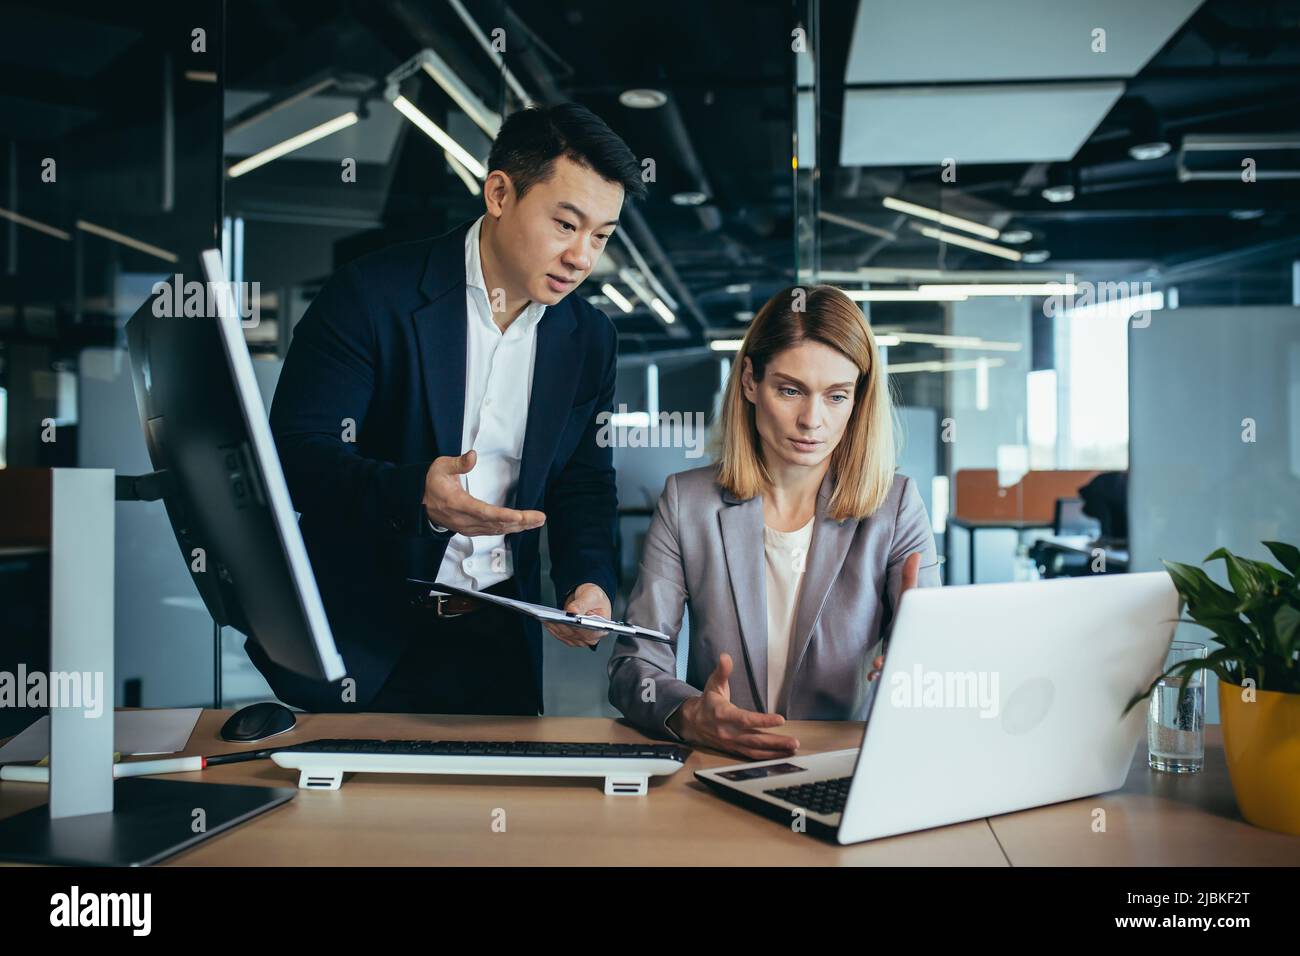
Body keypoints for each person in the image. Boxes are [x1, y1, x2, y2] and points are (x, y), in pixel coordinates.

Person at [261, 103, 646, 715]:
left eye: (601, 235)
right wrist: (415, 494)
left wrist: (587, 581)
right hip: (364, 640)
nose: (582, 256)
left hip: (499, 640)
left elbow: (583, 483)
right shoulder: (371, 295)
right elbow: (295, 454)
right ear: (499, 193)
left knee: (497, 810)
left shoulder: (588, 337)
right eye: (565, 224)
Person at [608, 285, 940, 758]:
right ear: (749, 381)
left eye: (836, 396)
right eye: (790, 390)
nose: (812, 420)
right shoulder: (688, 501)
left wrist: (919, 662)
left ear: (857, 401)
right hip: (721, 765)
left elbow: (934, 660)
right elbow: (633, 663)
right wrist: (689, 714)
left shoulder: (897, 505)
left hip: (846, 766)